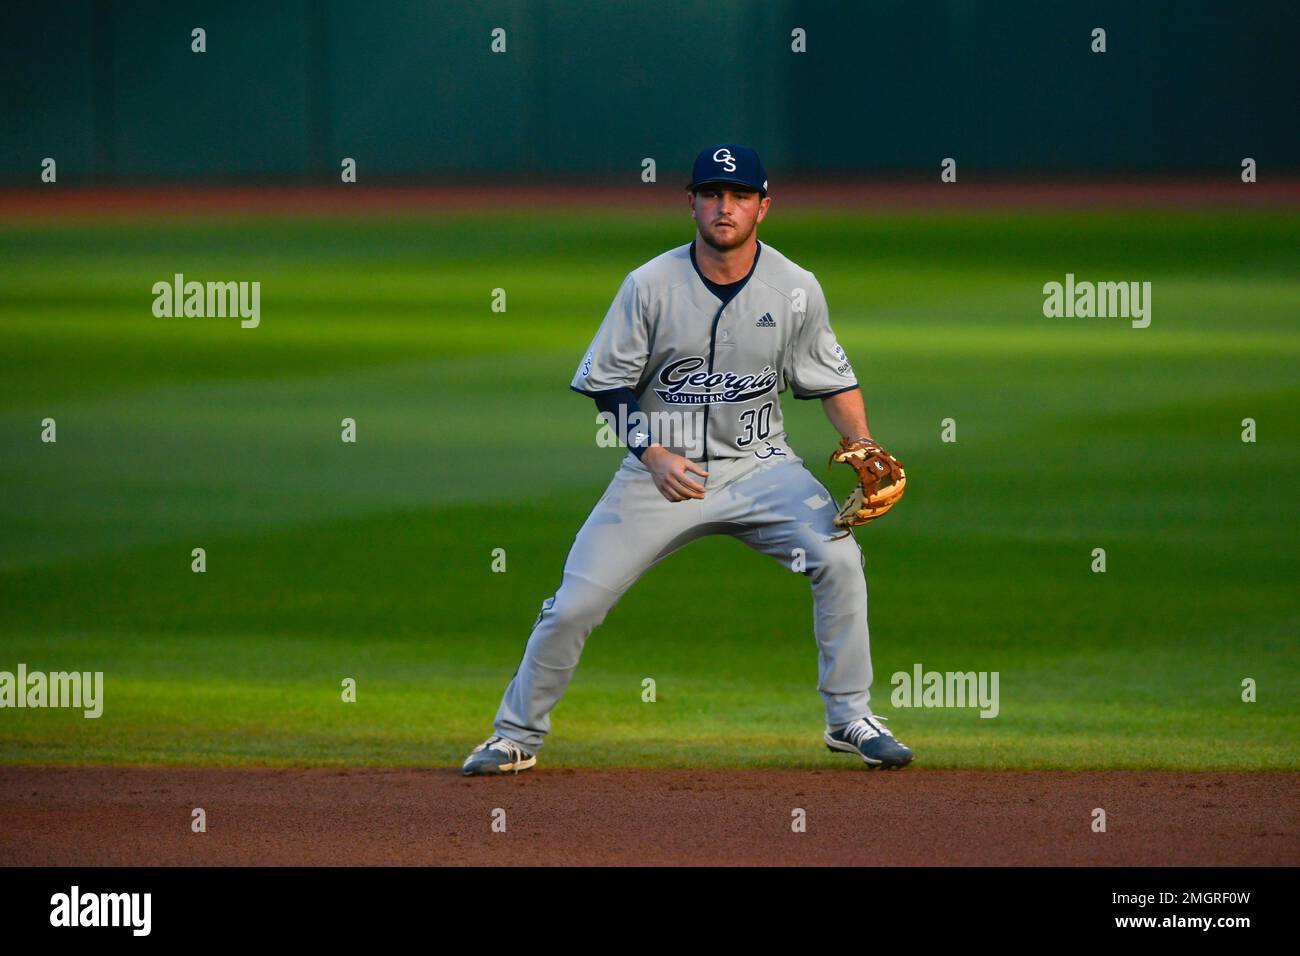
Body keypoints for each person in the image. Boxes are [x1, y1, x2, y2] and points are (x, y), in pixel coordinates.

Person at [462, 143, 913, 775]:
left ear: (763, 206)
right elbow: (608, 386)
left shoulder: (796, 289)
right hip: (659, 476)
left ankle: (850, 718)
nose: (724, 207)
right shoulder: (649, 285)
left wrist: (859, 441)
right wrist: (651, 453)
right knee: (574, 605)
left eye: (739, 196)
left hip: (763, 468)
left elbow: (832, 380)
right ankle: (515, 736)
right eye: (711, 194)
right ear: (692, 202)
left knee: (838, 558)